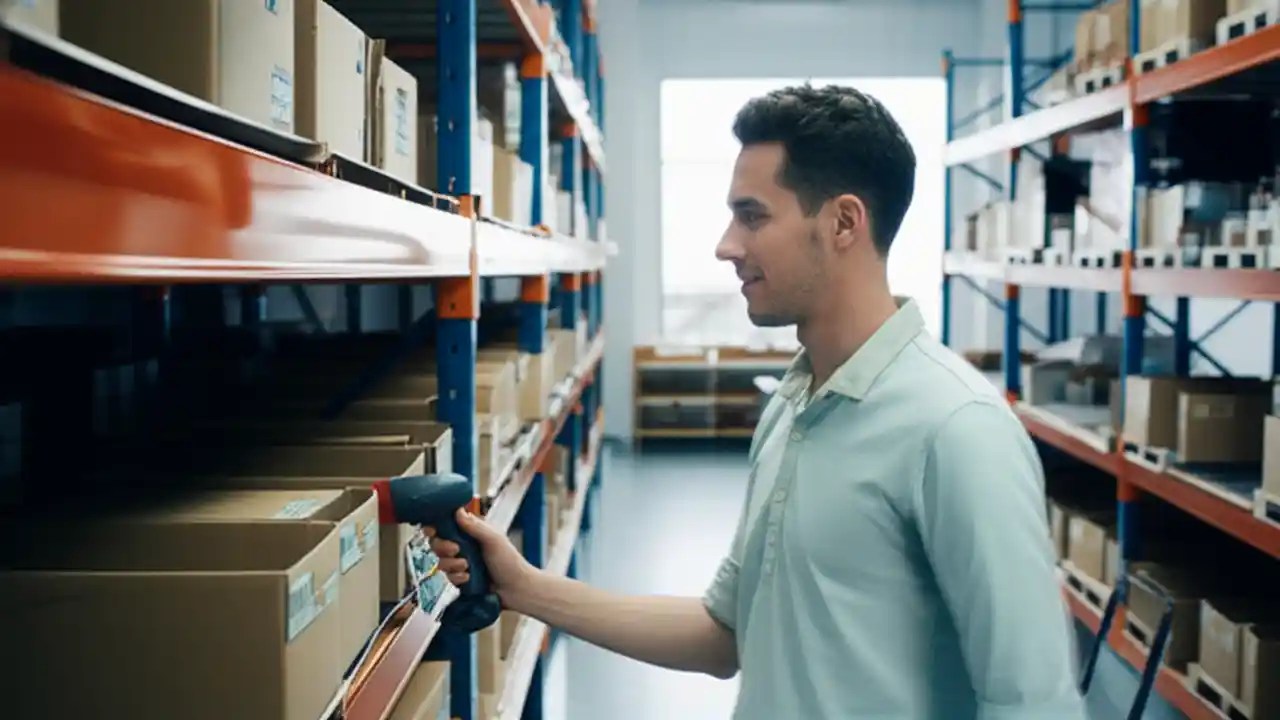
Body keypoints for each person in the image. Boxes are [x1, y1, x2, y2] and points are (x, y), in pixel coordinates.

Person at [429, 84, 1086, 719]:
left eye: (753, 215)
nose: (726, 245)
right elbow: (726, 634)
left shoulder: (956, 428)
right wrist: (526, 588)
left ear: (843, 222)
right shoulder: (794, 405)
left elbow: (1034, 703)